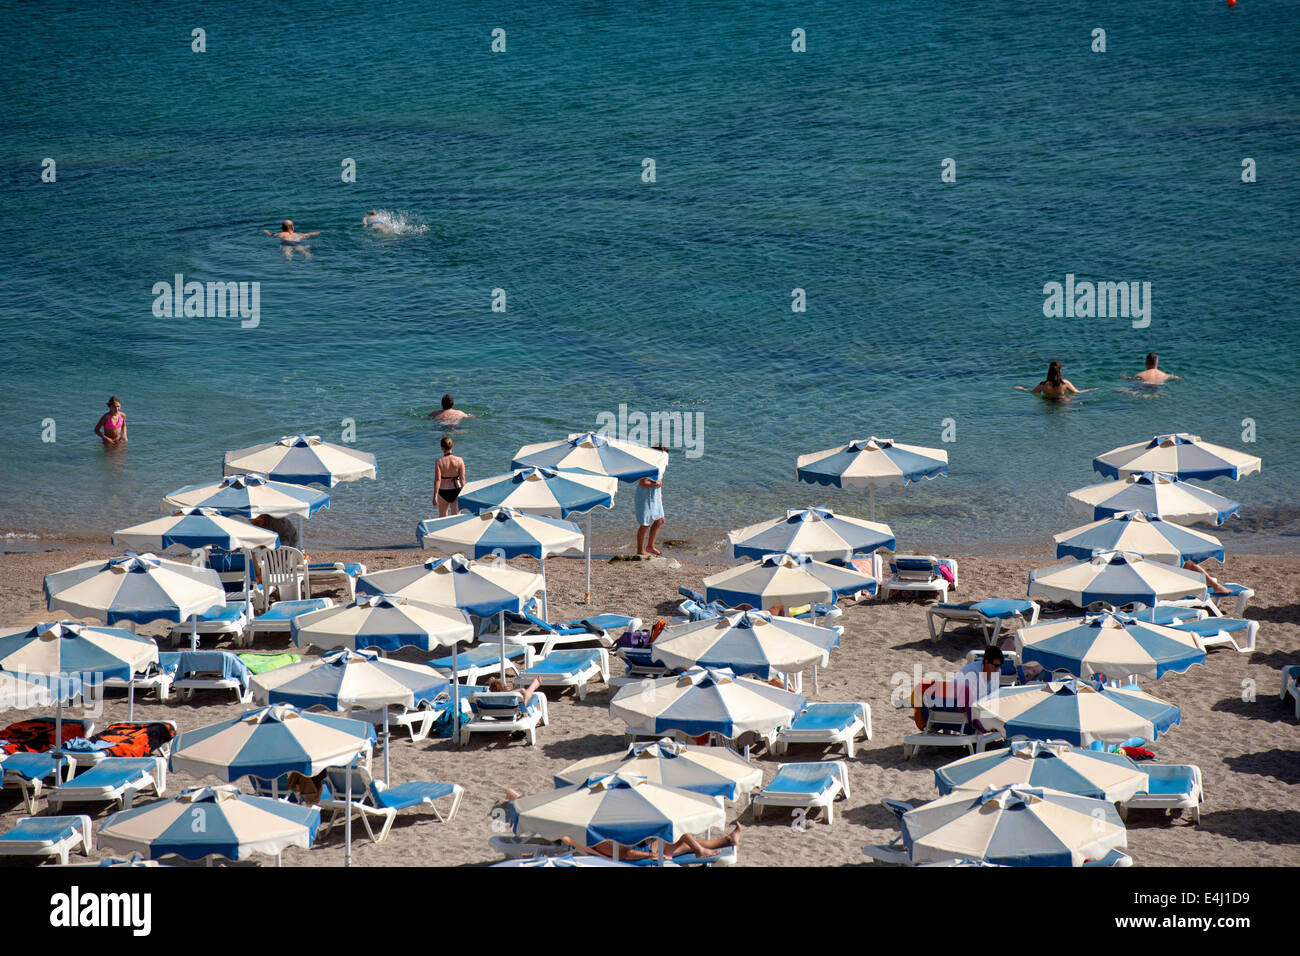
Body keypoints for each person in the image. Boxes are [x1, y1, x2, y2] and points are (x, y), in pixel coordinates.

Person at [558, 824, 743, 862]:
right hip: (641, 851)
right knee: (677, 836)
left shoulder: (595, 837)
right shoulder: (599, 843)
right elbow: (626, 854)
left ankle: (726, 840)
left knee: (680, 839)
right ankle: (707, 848)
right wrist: (652, 855)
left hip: (639, 845)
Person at [634, 445, 667, 556]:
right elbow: (643, 482)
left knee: (660, 520)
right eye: (663, 454)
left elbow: (658, 481)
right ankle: (640, 550)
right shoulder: (647, 465)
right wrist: (656, 484)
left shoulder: (659, 464)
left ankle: (650, 546)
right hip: (645, 497)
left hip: (655, 496)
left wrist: (660, 495)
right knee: (645, 523)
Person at [1014, 361, 1094, 399]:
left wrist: (1022, 388)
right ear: (1060, 370)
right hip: (1061, 403)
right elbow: (1077, 392)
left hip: (1047, 403)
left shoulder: (1043, 385)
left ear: (1049, 371)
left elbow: (1032, 392)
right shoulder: (1065, 383)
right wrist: (1091, 389)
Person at [433, 436, 466, 517]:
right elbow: (462, 479)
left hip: (443, 491)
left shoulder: (439, 462)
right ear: (452, 446)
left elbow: (437, 480)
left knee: (442, 518)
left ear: (441, 447)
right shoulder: (459, 460)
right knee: (456, 519)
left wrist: (435, 496)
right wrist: (465, 494)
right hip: (456, 490)